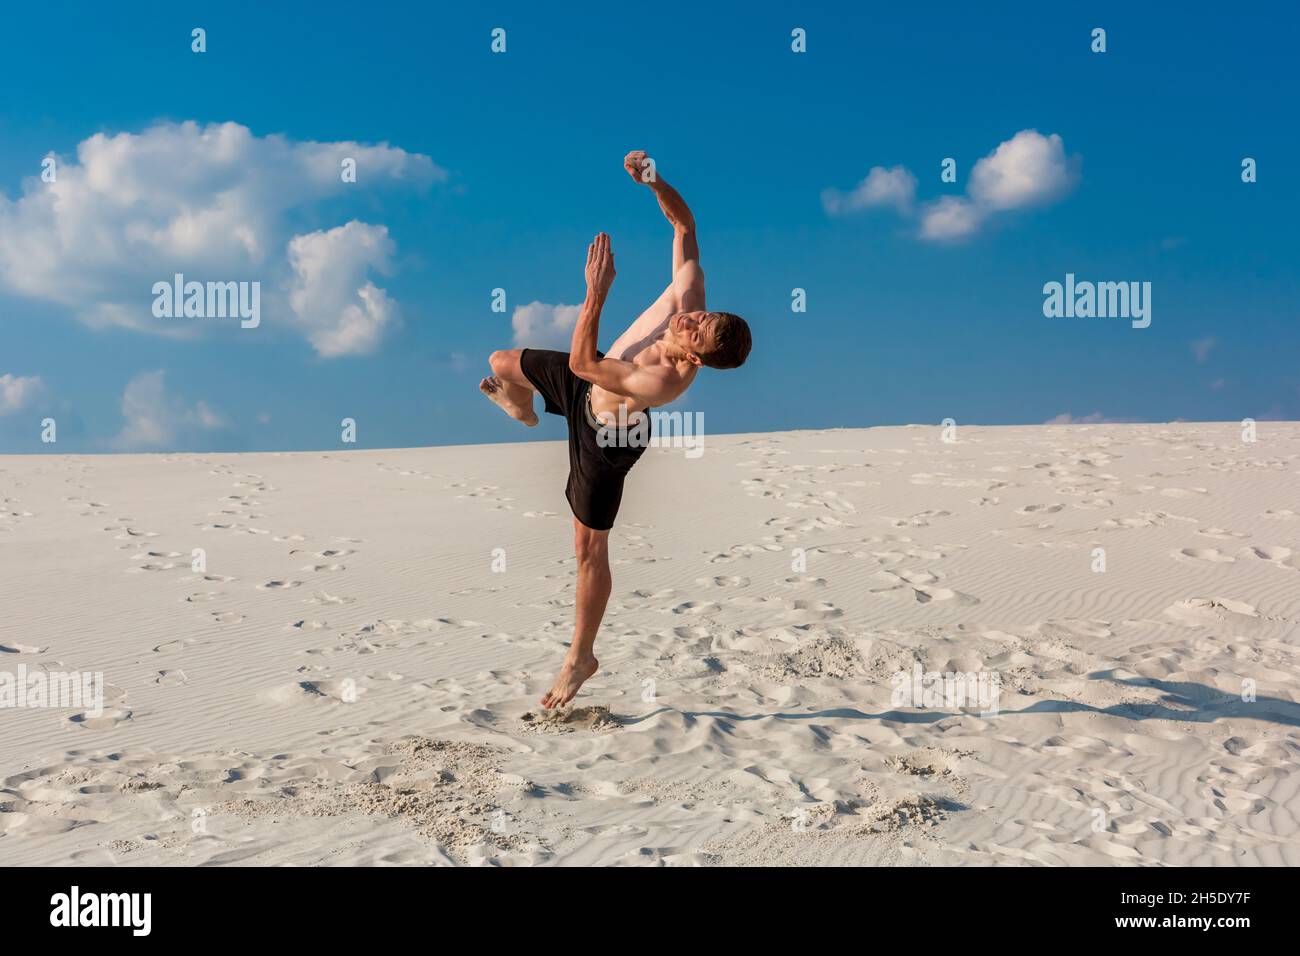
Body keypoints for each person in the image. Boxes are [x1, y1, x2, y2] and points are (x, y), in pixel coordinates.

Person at [479, 150, 752, 708]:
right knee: (502, 360)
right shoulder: (690, 294)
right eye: (702, 316)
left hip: (609, 438)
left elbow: (582, 364)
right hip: (589, 384)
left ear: (696, 360)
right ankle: (526, 410)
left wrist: (595, 293)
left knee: (588, 548)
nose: (691, 319)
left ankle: (581, 657)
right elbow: (684, 224)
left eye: (697, 331)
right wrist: (655, 180)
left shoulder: (662, 382)